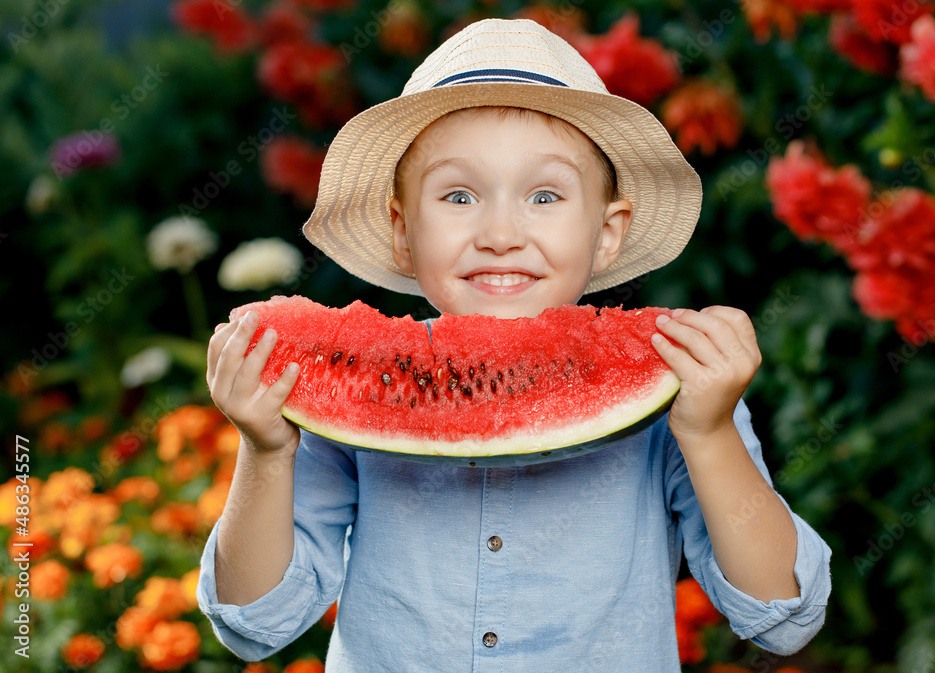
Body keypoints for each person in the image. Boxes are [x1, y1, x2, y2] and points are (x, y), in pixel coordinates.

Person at [197, 17, 832, 671]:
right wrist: (267, 449)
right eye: (459, 194)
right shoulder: (358, 379)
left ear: (608, 233)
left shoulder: (682, 385)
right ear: (402, 230)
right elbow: (257, 623)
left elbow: (782, 614)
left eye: (545, 194)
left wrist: (710, 433)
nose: (501, 232)